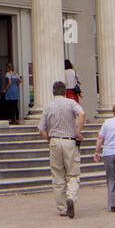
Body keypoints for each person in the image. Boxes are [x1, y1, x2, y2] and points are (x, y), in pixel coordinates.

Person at [37, 80, 85, 218]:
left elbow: (41, 129)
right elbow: (81, 114)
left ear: (53, 92)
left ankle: (63, 207)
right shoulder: (71, 103)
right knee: (73, 174)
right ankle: (71, 197)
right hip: (69, 141)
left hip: (54, 141)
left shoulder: (48, 107)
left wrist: (49, 139)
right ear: (64, 92)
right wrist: (78, 131)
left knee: (58, 176)